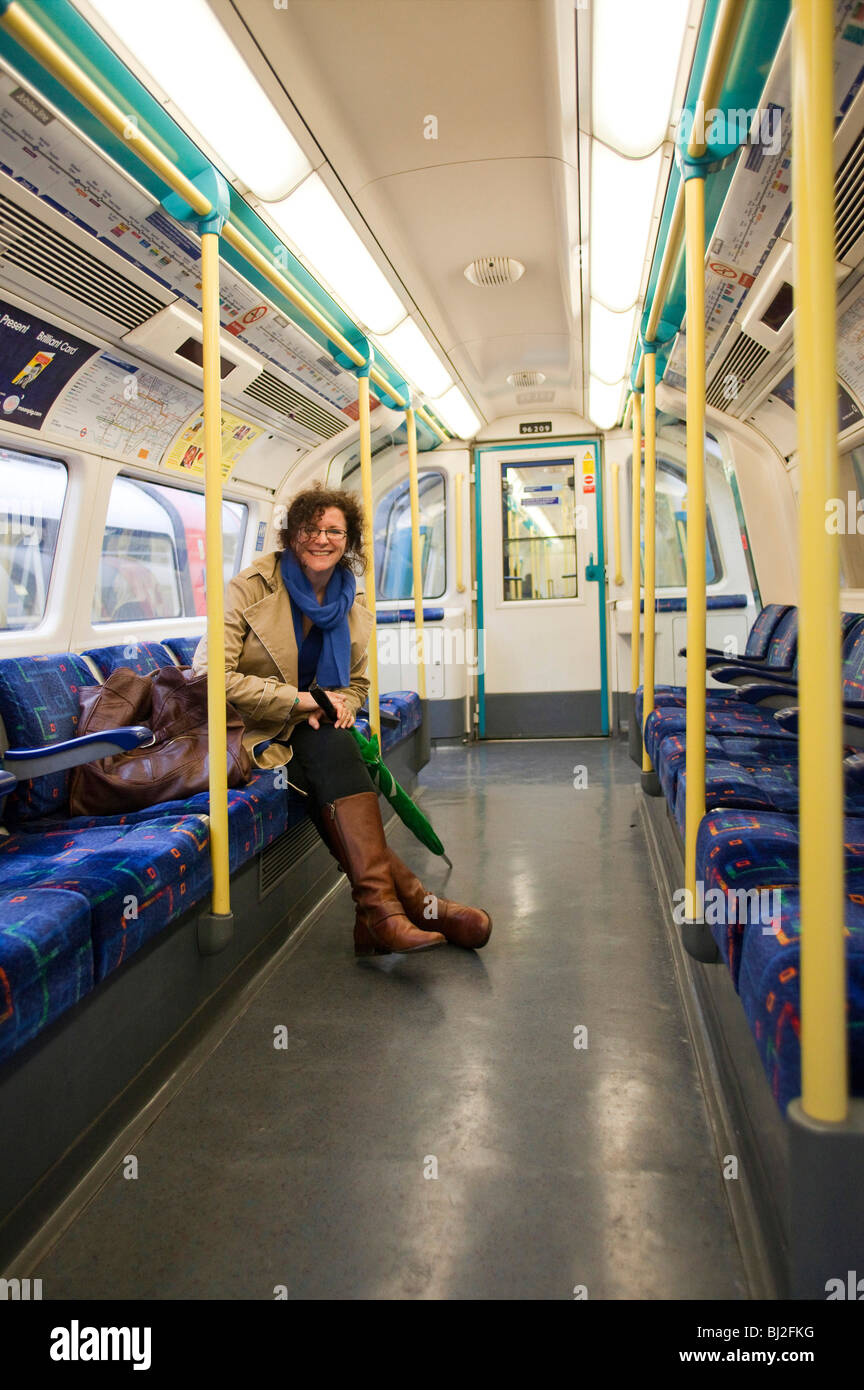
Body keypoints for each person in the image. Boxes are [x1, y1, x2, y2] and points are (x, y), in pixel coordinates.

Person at [192, 482, 491, 957]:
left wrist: (345, 703)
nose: (321, 539)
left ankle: (383, 913)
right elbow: (209, 677)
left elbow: (355, 684)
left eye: (334, 530)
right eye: (311, 529)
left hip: (314, 730)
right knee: (332, 749)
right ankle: (407, 905)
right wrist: (301, 702)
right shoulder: (250, 588)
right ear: (292, 536)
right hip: (252, 729)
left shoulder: (351, 601)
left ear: (347, 540)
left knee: (332, 742)